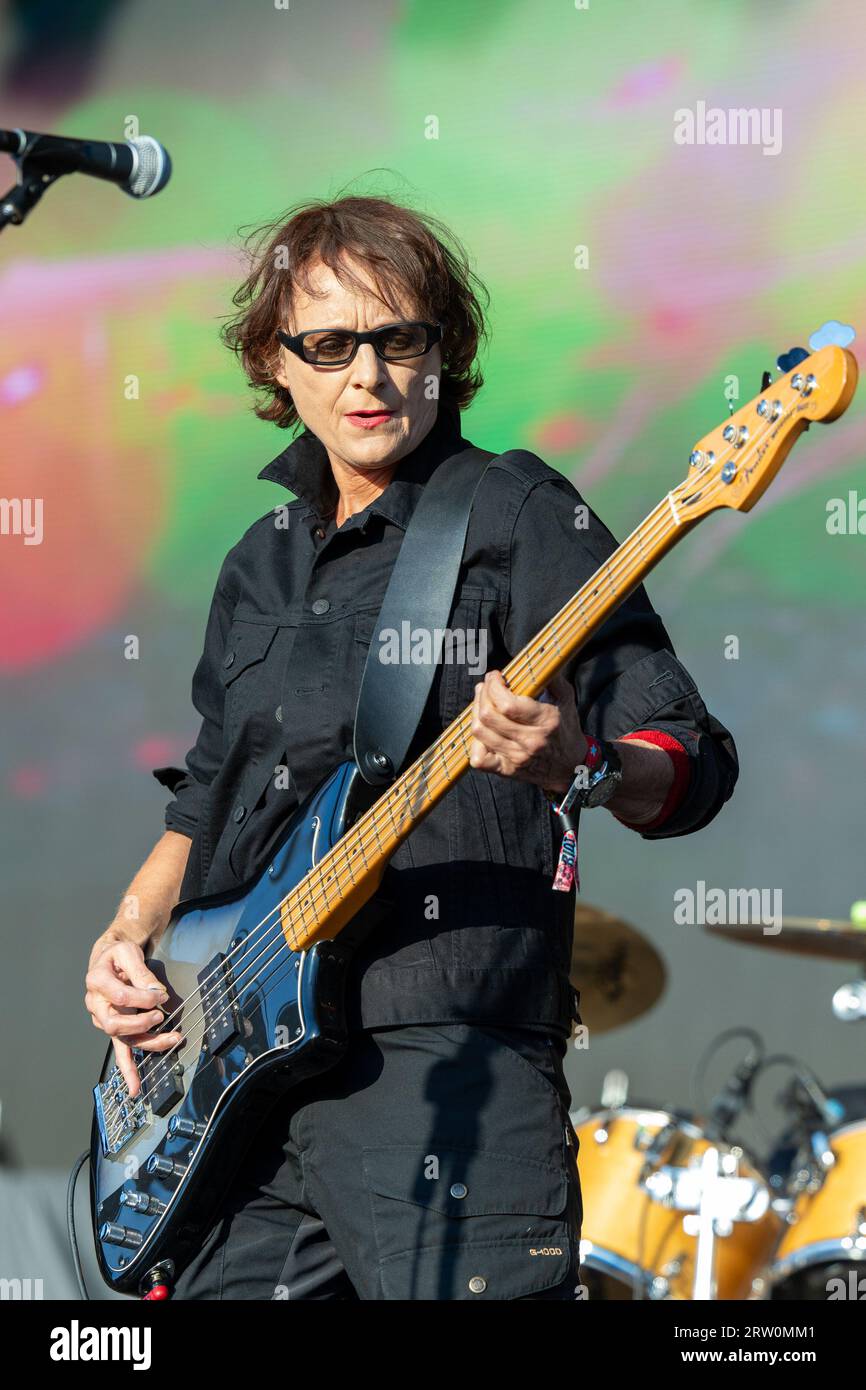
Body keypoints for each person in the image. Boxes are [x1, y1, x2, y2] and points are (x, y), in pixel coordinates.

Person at [84, 194, 738, 1300]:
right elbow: (205, 799)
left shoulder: (515, 511)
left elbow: (686, 750)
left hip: (440, 1053)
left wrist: (577, 762)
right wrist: (130, 933)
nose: (369, 377)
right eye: (330, 346)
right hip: (233, 1095)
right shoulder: (260, 559)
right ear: (274, 364)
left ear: (445, 350)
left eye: (400, 341)